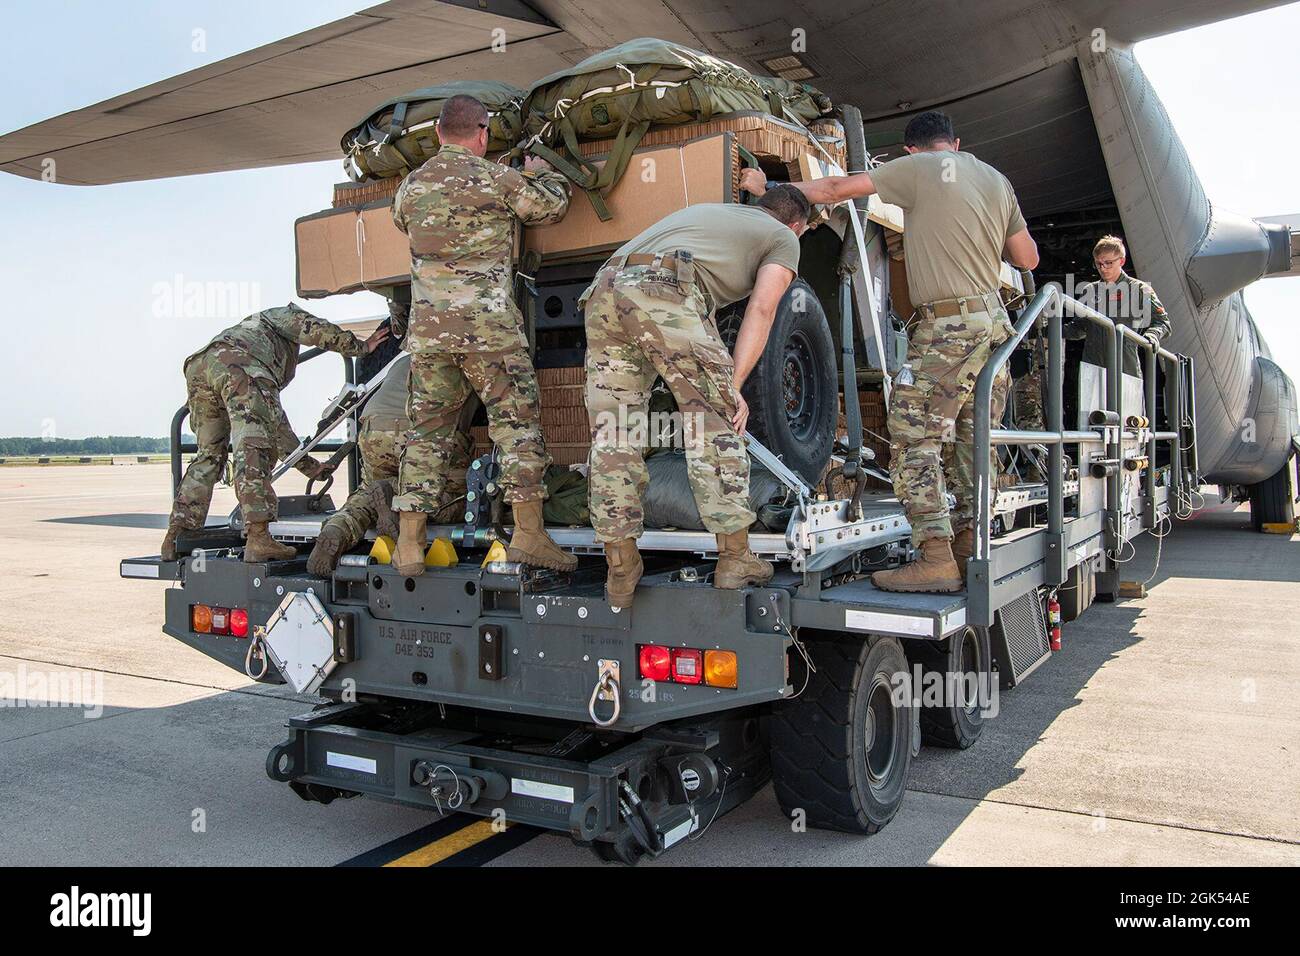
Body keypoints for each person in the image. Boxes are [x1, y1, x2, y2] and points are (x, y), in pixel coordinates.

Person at [742, 109, 1040, 592]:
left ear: (910, 149)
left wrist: (766, 189)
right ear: (956, 141)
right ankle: (966, 550)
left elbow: (837, 190)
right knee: (969, 443)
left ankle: (935, 559)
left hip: (948, 329)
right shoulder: (997, 181)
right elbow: (1028, 258)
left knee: (912, 439)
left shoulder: (917, 169)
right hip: (993, 329)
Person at [582, 186, 810, 608]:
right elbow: (762, 309)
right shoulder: (784, 236)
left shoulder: (715, 212)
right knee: (714, 419)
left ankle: (620, 561)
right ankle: (735, 557)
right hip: (660, 287)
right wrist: (733, 387)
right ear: (796, 224)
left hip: (604, 289)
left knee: (615, 433)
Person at [390, 94, 575, 577]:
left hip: (429, 336)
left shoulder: (411, 186)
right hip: (488, 332)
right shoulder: (496, 177)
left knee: (426, 434)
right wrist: (541, 170)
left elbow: (401, 220)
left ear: (438, 134)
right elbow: (551, 207)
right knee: (516, 426)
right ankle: (530, 536)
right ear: (483, 133)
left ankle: (409, 544)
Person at [161, 303, 388, 562]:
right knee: (254, 450)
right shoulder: (281, 315)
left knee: (209, 455)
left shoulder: (253, 332)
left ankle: (178, 534)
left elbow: (278, 429)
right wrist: (361, 347)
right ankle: (258, 537)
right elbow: (313, 328)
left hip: (200, 367)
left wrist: (311, 468)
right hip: (239, 365)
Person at [305, 350, 473, 576]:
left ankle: (339, 528)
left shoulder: (404, 358)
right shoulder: (468, 357)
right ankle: (395, 491)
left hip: (375, 428)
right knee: (460, 495)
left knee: (366, 492)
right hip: (422, 432)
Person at [1072, 235, 1170, 377]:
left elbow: (1163, 322)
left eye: (1108, 263)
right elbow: (1079, 328)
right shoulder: (1090, 291)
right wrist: (1047, 329)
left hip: (1125, 371)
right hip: (1093, 370)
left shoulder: (1139, 289)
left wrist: (1152, 335)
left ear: (1122, 261)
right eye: (1098, 264)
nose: (1103, 268)